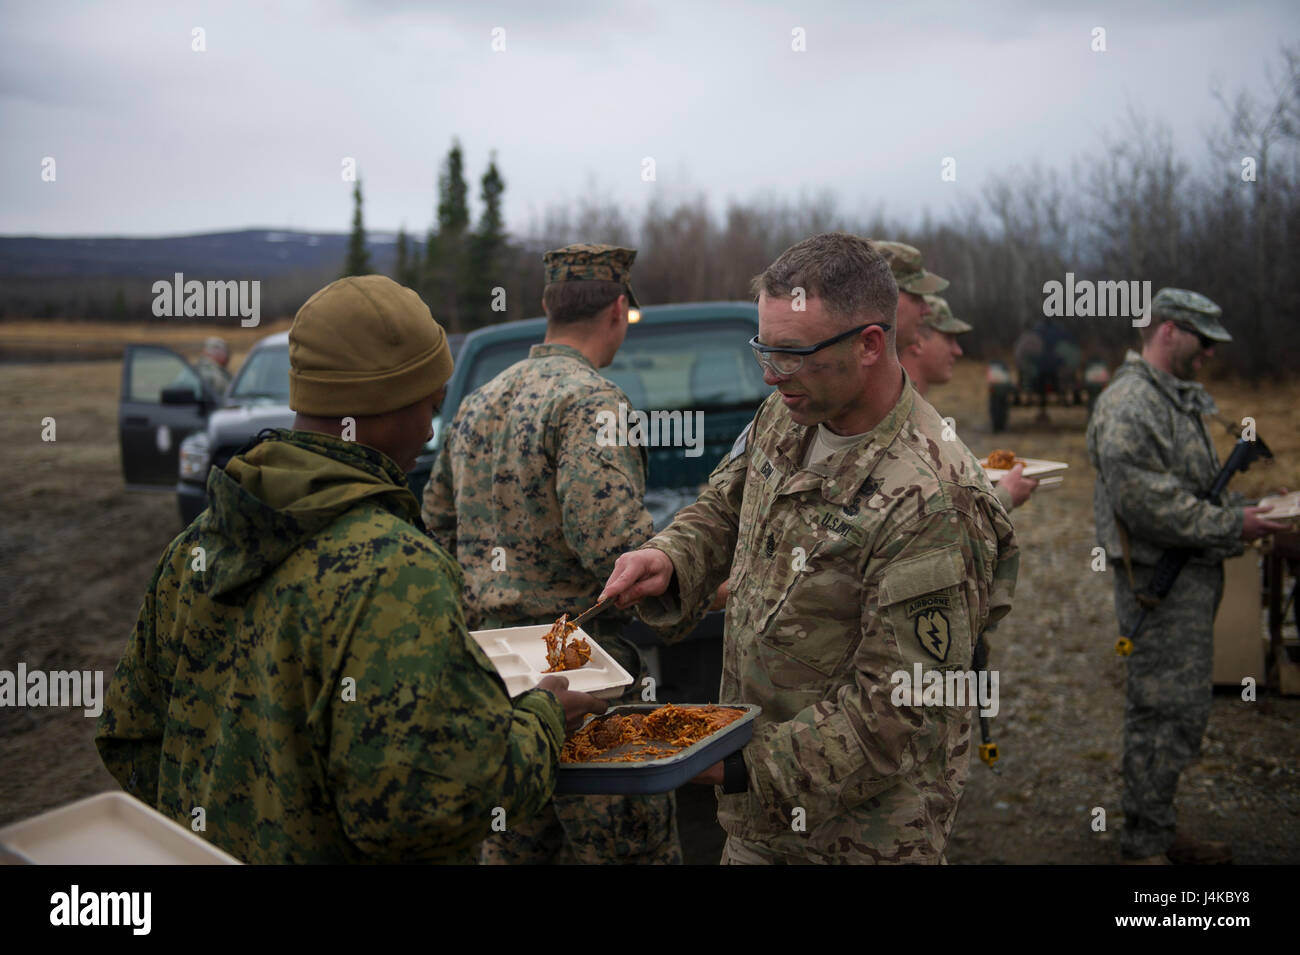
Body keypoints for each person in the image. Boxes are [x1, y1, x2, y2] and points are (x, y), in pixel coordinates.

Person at [95, 275, 606, 864]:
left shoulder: (196, 547)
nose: (429, 431)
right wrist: (543, 720)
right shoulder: (397, 571)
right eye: (430, 407)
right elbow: (430, 809)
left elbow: (130, 740)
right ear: (389, 407)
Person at [600, 233, 1020, 864]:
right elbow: (725, 505)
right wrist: (669, 558)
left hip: (859, 836)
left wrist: (728, 762)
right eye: (763, 348)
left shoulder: (933, 499)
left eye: (792, 353)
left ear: (870, 344)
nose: (770, 373)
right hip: (760, 815)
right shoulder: (788, 411)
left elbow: (900, 707)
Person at [422, 243, 686, 865]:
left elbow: (433, 528)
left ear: (546, 305)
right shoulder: (592, 403)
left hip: (492, 670)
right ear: (619, 309)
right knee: (627, 849)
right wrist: (700, 581)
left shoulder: (476, 405)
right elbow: (616, 553)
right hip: (581, 667)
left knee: (514, 847)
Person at [1087, 287, 1288, 865]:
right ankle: (1142, 847)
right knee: (1159, 708)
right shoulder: (1131, 404)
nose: (1210, 354)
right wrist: (1234, 525)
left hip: (1189, 578)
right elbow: (1146, 504)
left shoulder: (1176, 400)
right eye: (1203, 340)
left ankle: (1159, 824)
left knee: (1181, 712)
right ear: (1168, 330)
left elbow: (1191, 486)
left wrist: (1255, 508)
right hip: (1160, 585)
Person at [902, 294, 1038, 512]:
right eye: (949, 338)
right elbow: (929, 517)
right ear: (917, 339)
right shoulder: (903, 417)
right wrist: (1004, 496)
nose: (958, 350)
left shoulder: (916, 410)